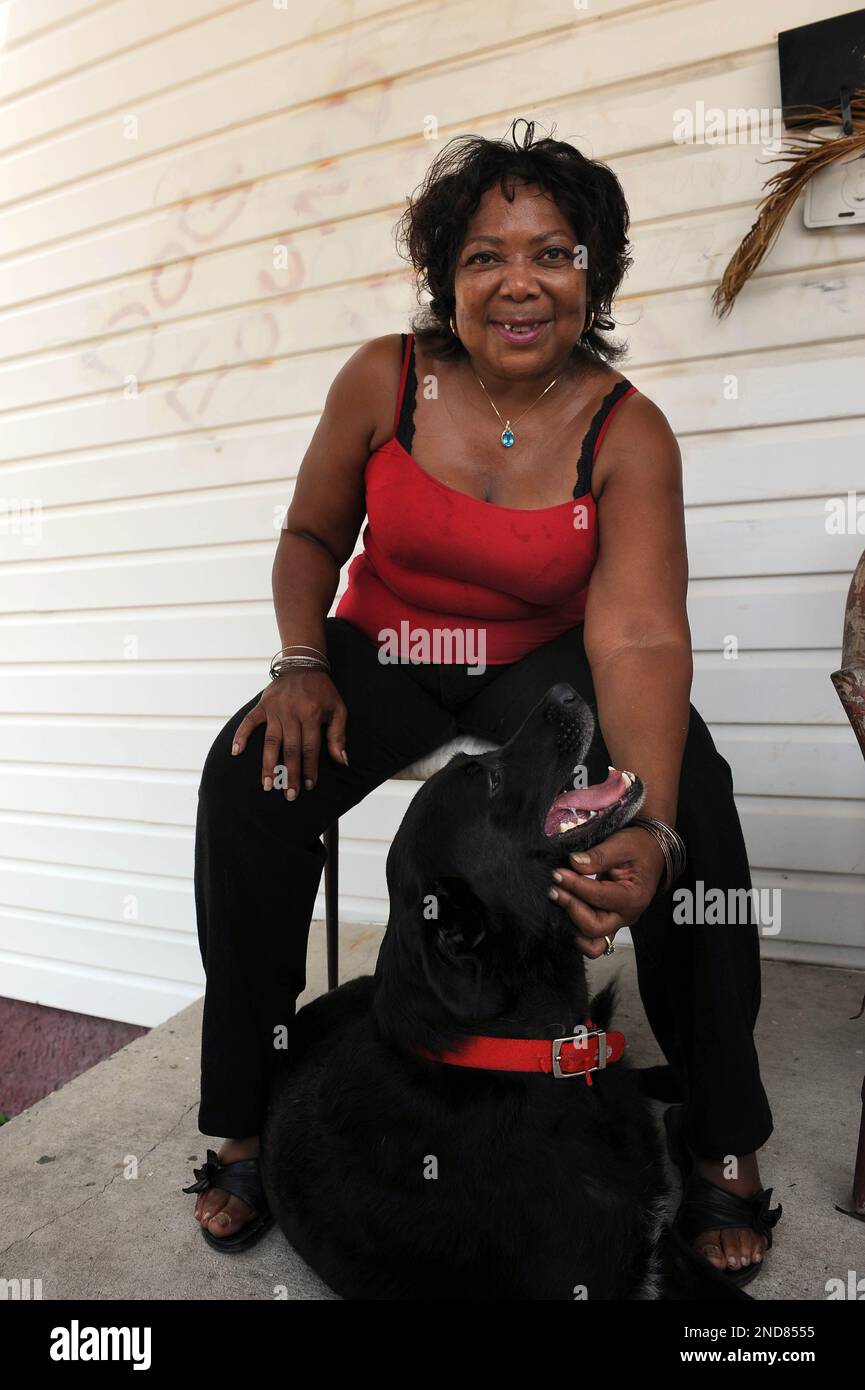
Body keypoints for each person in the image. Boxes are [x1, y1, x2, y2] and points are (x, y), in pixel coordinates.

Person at [184, 119, 780, 1285]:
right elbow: (310, 534)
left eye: (552, 253)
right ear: (444, 276)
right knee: (253, 781)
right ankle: (243, 1117)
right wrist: (301, 662)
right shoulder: (383, 378)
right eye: (483, 255)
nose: (519, 281)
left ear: (591, 277)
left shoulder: (626, 427)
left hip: (538, 664)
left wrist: (649, 828)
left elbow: (643, 631)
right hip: (388, 644)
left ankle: (719, 1133)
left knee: (691, 795)